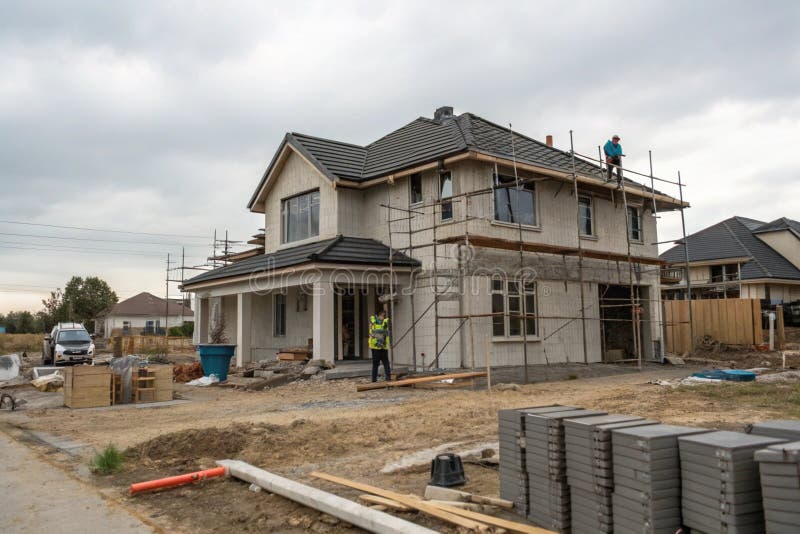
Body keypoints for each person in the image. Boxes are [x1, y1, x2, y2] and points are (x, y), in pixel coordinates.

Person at [368, 308, 391, 382]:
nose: (383, 317)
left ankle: (388, 379)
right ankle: (374, 379)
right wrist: (380, 334)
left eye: (384, 316)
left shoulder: (385, 322)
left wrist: (378, 334)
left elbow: (387, 332)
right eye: (382, 316)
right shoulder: (373, 322)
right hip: (375, 346)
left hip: (383, 346)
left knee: (386, 363)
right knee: (375, 364)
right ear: (378, 315)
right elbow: (371, 333)